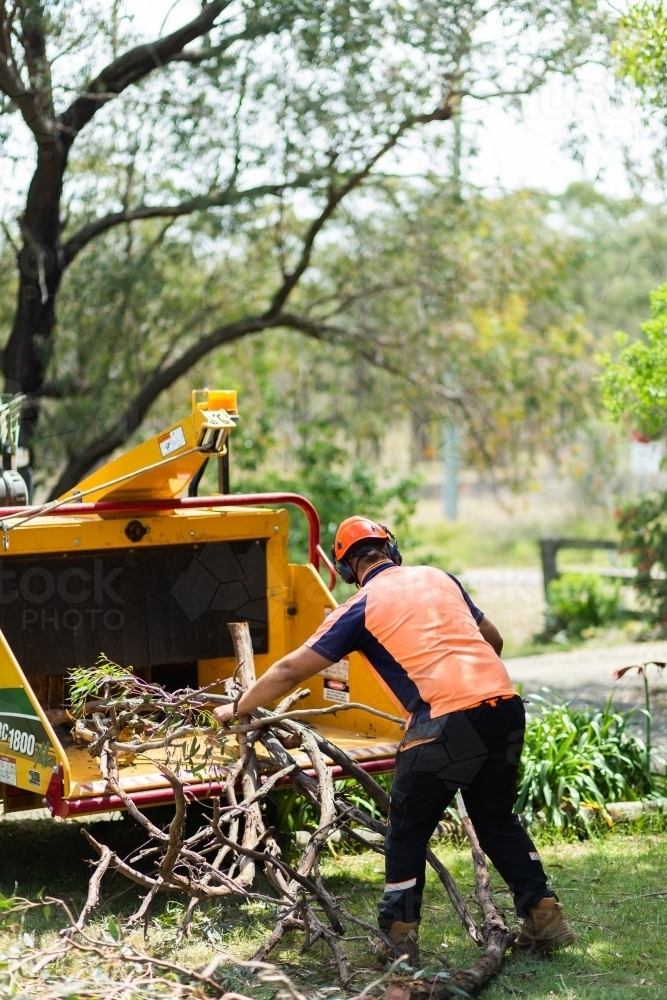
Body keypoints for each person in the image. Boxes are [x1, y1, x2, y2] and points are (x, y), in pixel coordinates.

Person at [213, 516, 575, 964]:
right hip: (504, 704)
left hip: (443, 720)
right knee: (495, 818)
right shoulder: (440, 579)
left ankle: (399, 940)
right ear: (391, 549)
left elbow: (289, 670)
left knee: (406, 831)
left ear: (346, 568)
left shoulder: (360, 606)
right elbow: (493, 639)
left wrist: (239, 708)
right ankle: (545, 917)